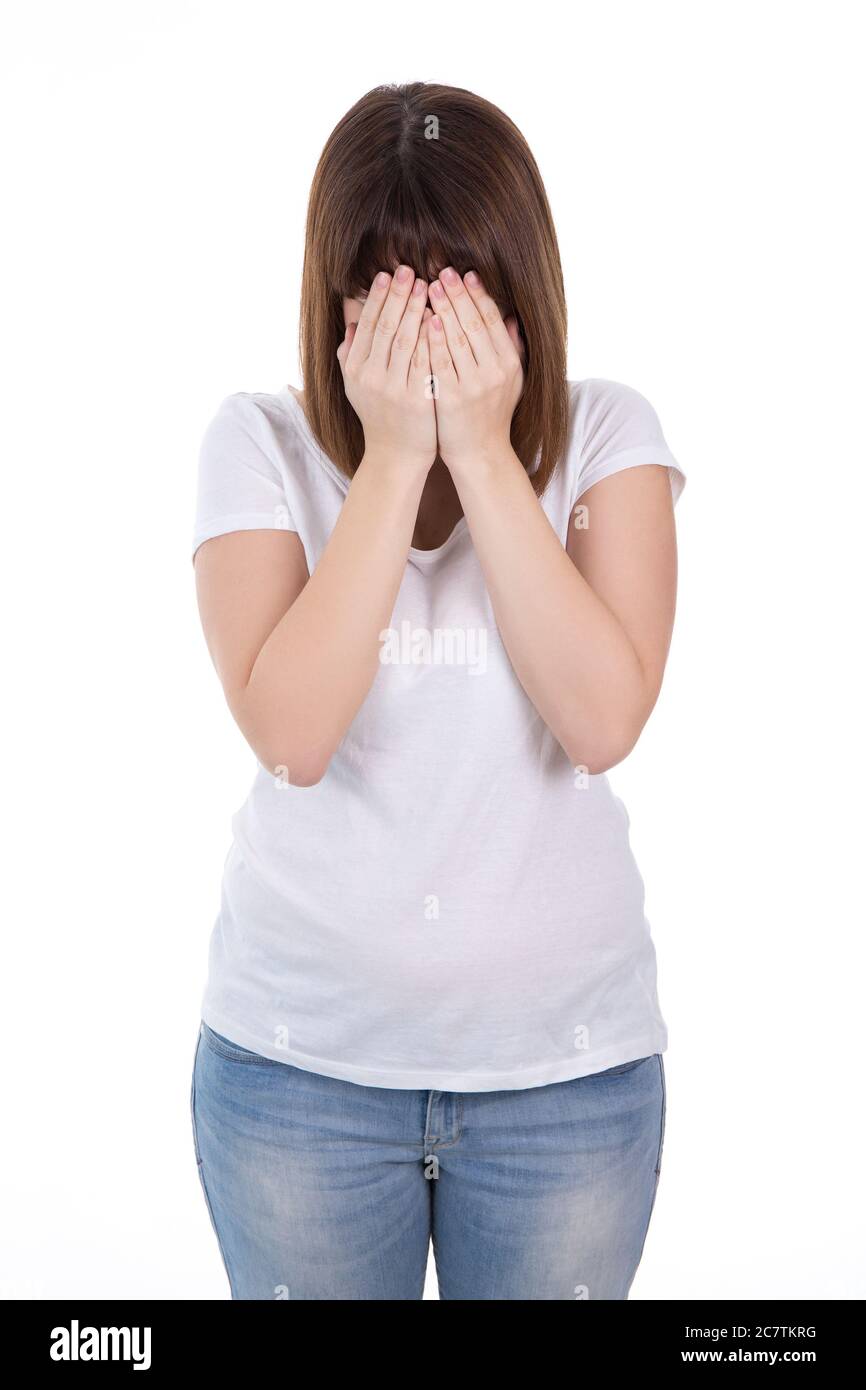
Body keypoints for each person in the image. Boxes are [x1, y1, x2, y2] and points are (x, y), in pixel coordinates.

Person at [189, 81, 686, 1300]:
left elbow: (601, 717)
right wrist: (396, 452)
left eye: (456, 292)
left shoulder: (607, 438)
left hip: (562, 1086)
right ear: (335, 298)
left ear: (519, 288)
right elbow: (291, 733)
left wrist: (477, 446)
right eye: (393, 293)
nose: (427, 332)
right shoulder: (255, 441)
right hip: (298, 1076)